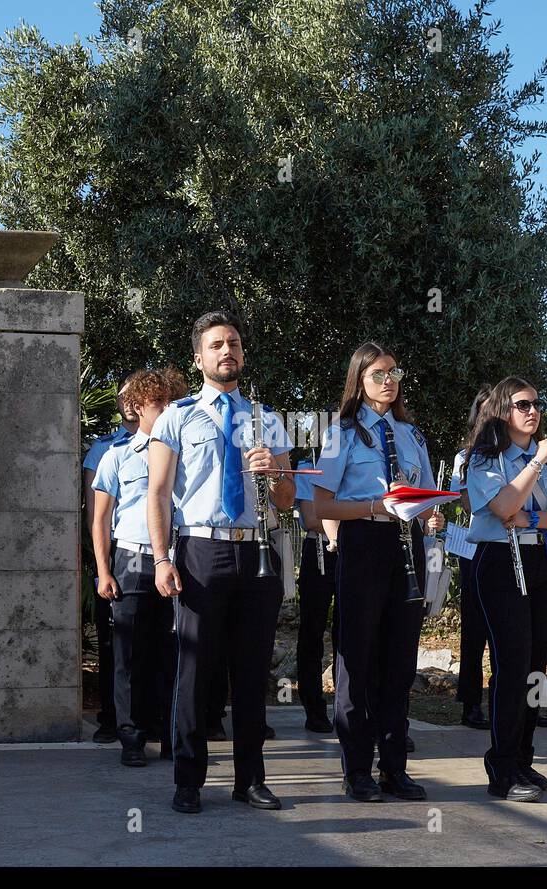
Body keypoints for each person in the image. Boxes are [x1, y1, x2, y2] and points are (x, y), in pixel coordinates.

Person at [146, 311, 295, 814]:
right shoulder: (177, 416)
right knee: (195, 670)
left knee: (252, 673)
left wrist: (273, 472)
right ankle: (189, 780)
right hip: (200, 550)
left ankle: (250, 780)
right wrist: (162, 558)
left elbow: (288, 499)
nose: (226, 350)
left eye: (233, 342)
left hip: (257, 549)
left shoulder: (267, 419)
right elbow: (159, 493)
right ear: (199, 357)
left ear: (242, 353)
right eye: (216, 344)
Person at [313, 343, 445, 802]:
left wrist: (433, 514)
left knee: (399, 662)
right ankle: (357, 771)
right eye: (378, 374)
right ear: (359, 380)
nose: (388, 380)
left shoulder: (412, 434)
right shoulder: (342, 433)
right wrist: (374, 505)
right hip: (364, 542)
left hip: (407, 546)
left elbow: (426, 493)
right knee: (357, 659)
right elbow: (321, 506)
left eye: (394, 372)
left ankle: (394, 767)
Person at [464, 377, 547, 801]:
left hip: (543, 559)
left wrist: (542, 518)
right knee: (511, 666)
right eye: (522, 404)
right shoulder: (485, 458)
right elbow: (503, 507)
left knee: (534, 667)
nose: (533, 411)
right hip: (500, 560)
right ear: (502, 412)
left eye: (537, 403)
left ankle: (524, 760)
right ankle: (502, 767)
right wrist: (535, 466)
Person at [91, 367, 188, 766]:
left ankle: (170, 733)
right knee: (128, 652)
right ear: (137, 408)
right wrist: (103, 570)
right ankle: (131, 737)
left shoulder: (187, 454)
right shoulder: (115, 456)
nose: (166, 409)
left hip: (178, 559)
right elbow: (100, 519)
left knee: (174, 652)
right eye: (157, 403)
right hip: (131, 559)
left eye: (171, 402)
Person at [83, 392, 139, 743]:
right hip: (118, 546)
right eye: (125, 396)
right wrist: (102, 562)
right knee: (113, 639)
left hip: (160, 548)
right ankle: (111, 718)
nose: (132, 402)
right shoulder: (103, 449)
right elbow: (96, 515)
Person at [453, 387, 493, 730]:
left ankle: (516, 700)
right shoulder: (465, 457)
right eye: (484, 409)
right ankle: (470, 702)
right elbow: (468, 504)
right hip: (475, 547)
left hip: (513, 546)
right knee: (474, 629)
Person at [294, 451, 341, 733]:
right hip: (319, 551)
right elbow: (312, 517)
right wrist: (348, 514)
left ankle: (346, 704)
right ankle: (314, 708)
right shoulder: (307, 466)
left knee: (346, 632)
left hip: (350, 550)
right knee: (312, 632)